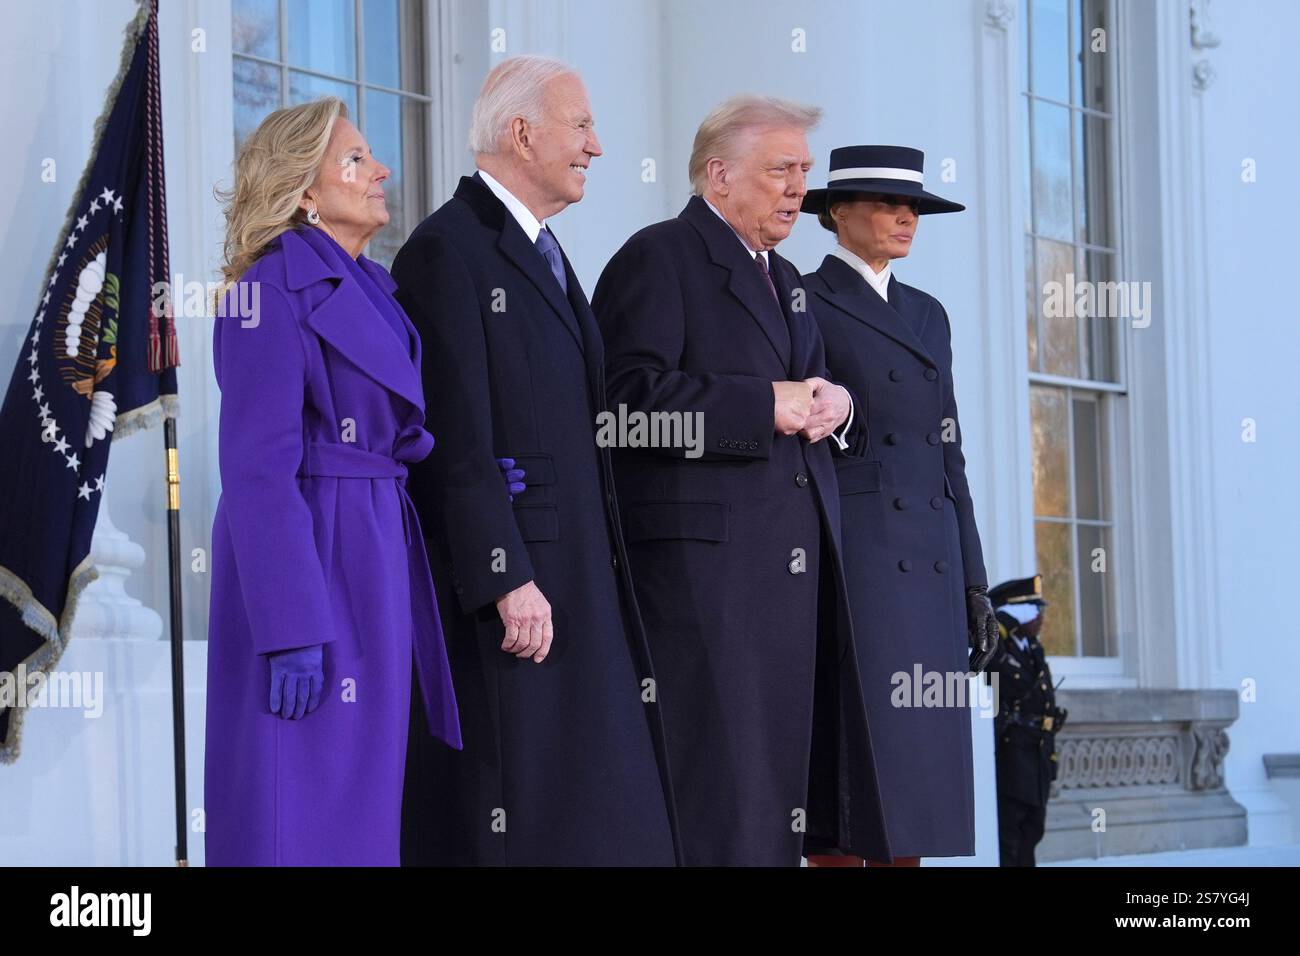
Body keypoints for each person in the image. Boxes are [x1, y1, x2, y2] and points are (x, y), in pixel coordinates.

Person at [393, 56, 677, 866]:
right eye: (582, 125)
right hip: (520, 599)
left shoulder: (545, 251)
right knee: (538, 819)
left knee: (605, 818)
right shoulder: (447, 251)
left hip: (584, 581)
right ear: (523, 133)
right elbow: (454, 434)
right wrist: (505, 576)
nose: (598, 145)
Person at [591, 95, 889, 866]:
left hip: (792, 583)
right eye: (781, 170)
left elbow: (809, 393)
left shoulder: (786, 276)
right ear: (719, 177)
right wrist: (763, 406)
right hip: (702, 591)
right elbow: (623, 407)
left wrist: (836, 405)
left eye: (803, 171)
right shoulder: (657, 256)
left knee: (775, 811)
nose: (799, 187)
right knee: (716, 806)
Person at [205, 97, 460, 866]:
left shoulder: (375, 290)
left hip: (376, 547)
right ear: (304, 190)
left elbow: (398, 432)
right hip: (312, 557)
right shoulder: (267, 291)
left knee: (364, 795)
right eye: (355, 158)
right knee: (300, 790)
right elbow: (257, 472)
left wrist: (461, 481)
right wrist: (289, 628)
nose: (380, 169)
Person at [799, 145, 999, 867]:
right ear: (838, 214)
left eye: (912, 206)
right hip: (860, 561)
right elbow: (803, 422)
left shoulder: (928, 314)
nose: (905, 217)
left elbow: (950, 456)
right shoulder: (802, 297)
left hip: (934, 569)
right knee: (856, 781)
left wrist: (976, 583)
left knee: (918, 799)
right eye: (888, 204)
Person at [987, 573, 1067, 867]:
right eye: (1034, 612)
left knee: (1033, 830)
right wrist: (1003, 623)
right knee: (1009, 833)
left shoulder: (1033, 650)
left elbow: (1047, 704)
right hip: (1012, 754)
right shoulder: (1001, 648)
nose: (1041, 619)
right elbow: (980, 655)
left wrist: (1052, 757)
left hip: (1038, 756)